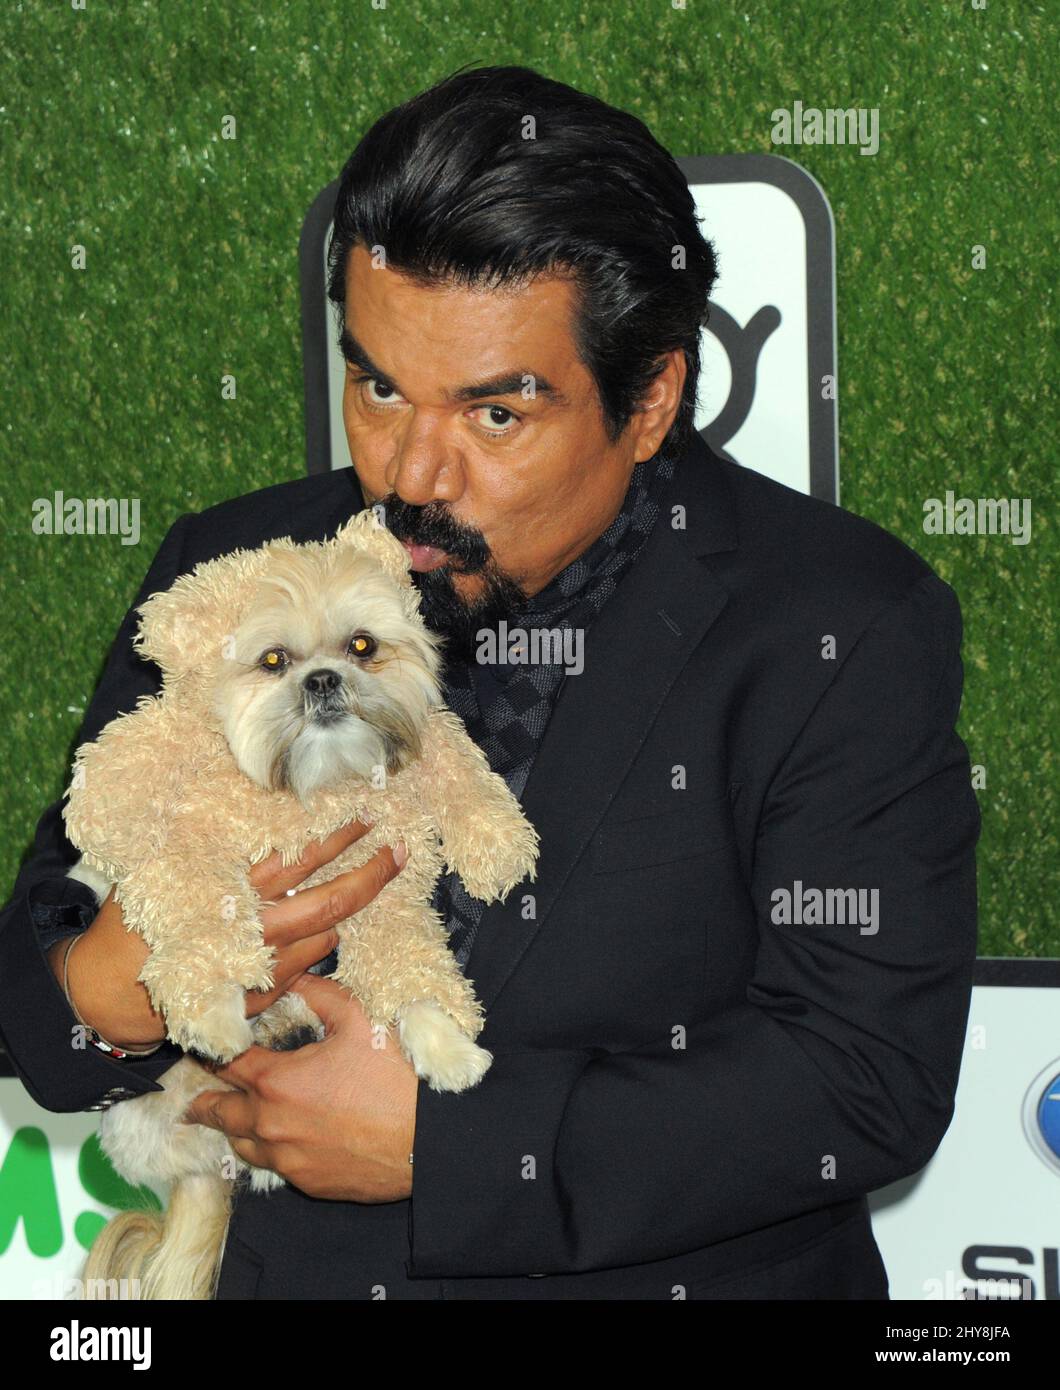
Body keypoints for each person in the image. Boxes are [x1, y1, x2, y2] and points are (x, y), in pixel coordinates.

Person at [0, 64, 980, 1299]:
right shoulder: (230, 570)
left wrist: (450, 1145)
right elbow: (38, 987)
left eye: (494, 414)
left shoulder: (836, 624)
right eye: (377, 386)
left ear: (653, 397)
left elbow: (863, 1077)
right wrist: (108, 985)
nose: (411, 473)